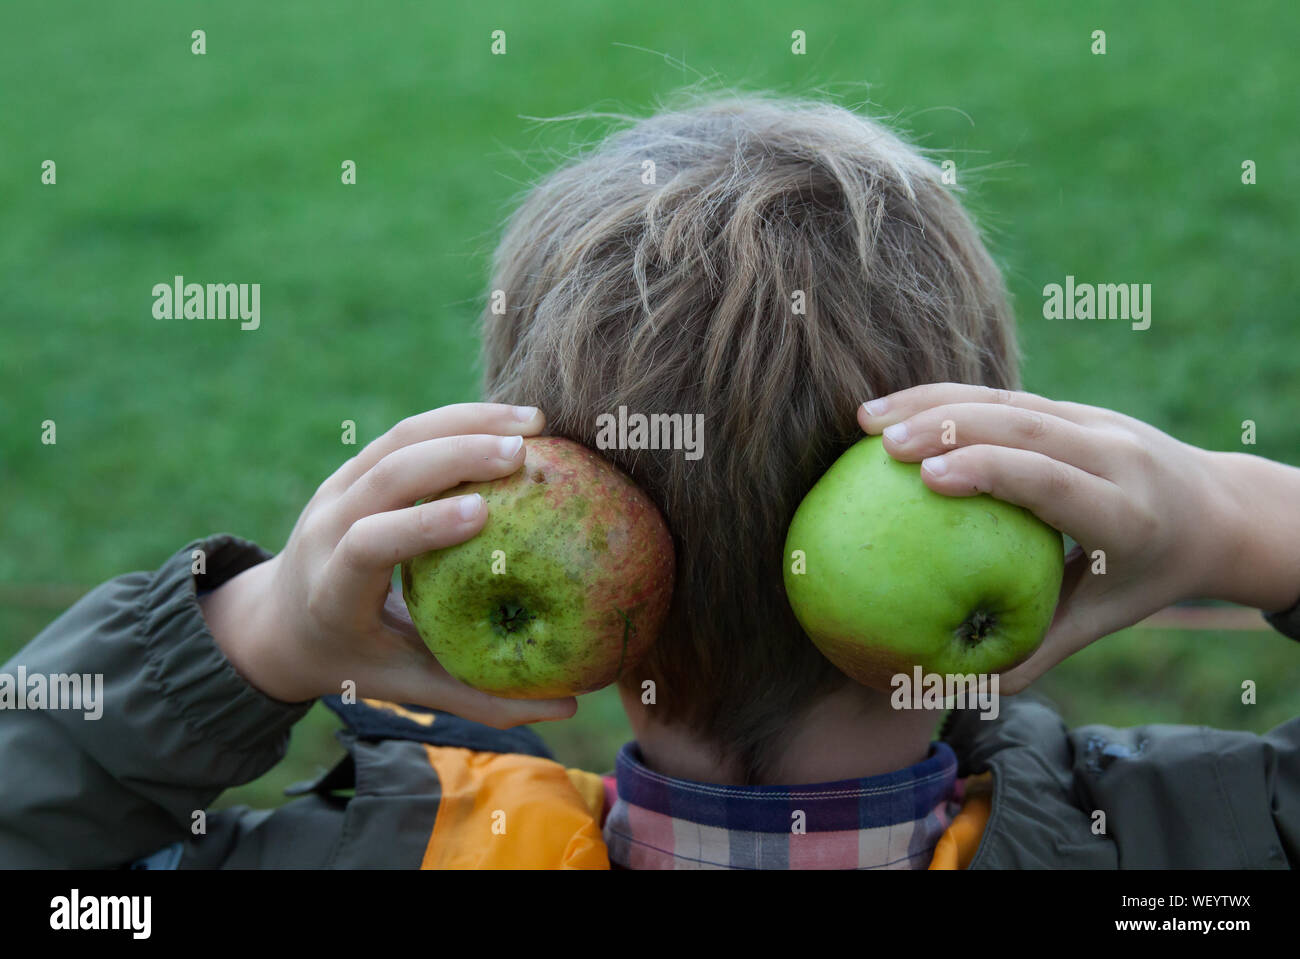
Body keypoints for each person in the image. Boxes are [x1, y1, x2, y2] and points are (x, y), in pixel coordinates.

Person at [2, 96, 1298, 869]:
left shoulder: (380, 856)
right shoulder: (1186, 853)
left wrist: (259, 635)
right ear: (1015, 499)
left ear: (543, 506)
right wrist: (1237, 521)